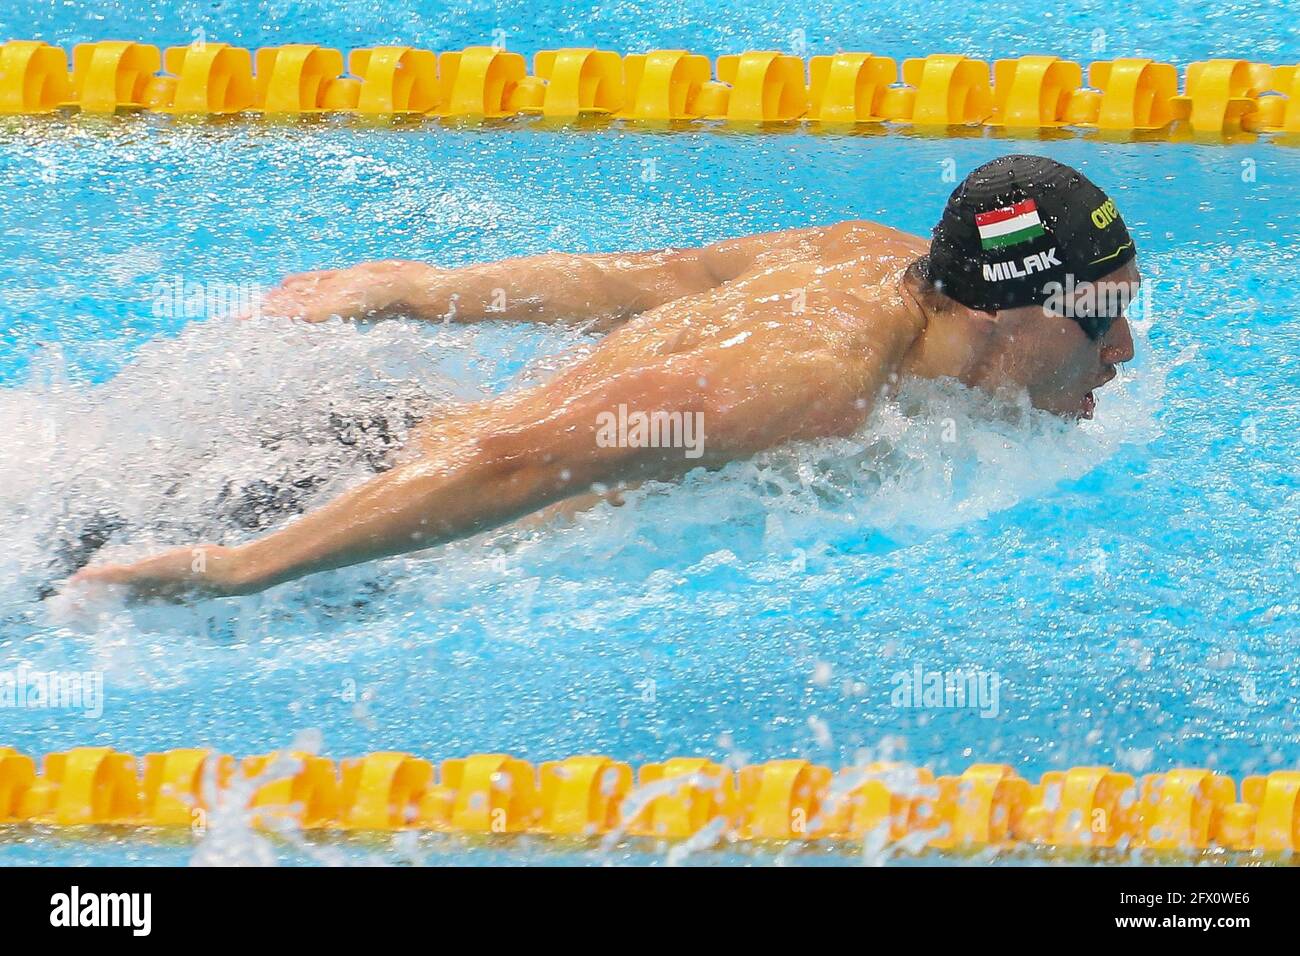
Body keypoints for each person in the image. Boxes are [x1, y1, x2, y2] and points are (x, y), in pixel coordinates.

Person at [70, 153, 1138, 600]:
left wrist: (412, 287)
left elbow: (648, 279)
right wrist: (247, 567)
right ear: (1018, 312)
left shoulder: (868, 255)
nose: (1122, 352)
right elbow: (517, 457)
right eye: (1102, 317)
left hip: (387, 440)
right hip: (365, 518)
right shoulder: (815, 378)